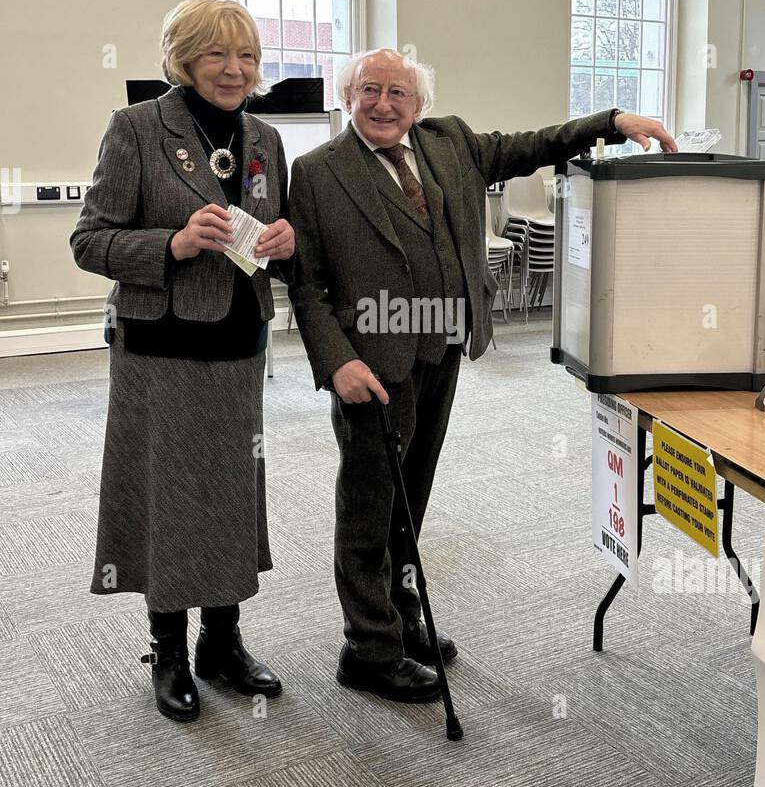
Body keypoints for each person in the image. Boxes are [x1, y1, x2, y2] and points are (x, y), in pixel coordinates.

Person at [288, 48, 677, 703]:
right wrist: (337, 361)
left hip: (440, 350)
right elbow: (305, 282)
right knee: (369, 505)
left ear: (420, 105)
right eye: (369, 90)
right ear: (347, 96)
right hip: (371, 366)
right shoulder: (317, 173)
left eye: (398, 93)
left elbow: (538, 144)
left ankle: (403, 617)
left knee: (411, 499)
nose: (384, 104)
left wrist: (613, 120)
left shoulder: (451, 142)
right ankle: (368, 648)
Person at [71, 0, 295, 723]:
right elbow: (90, 241)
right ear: (183, 59)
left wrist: (288, 247)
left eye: (248, 56)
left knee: (229, 495)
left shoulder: (265, 138)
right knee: (168, 499)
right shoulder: (136, 129)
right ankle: (167, 649)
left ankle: (221, 643)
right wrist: (170, 243)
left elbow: (279, 251)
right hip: (159, 350)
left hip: (239, 345)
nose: (235, 69)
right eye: (216, 54)